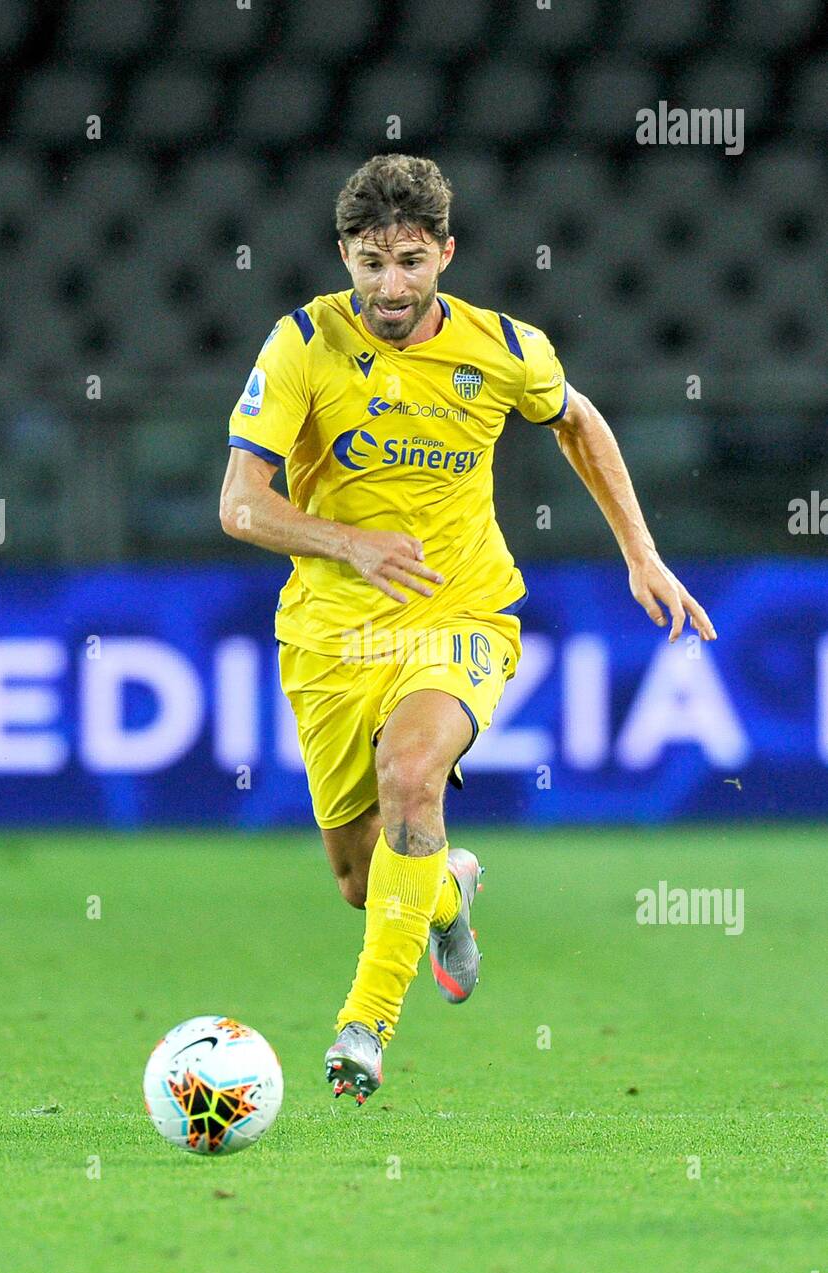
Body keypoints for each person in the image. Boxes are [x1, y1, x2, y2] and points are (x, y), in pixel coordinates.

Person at [220, 153, 716, 1105]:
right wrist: (347, 542)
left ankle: (363, 1029)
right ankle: (448, 889)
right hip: (330, 634)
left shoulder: (503, 349)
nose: (389, 286)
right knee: (366, 885)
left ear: (446, 252)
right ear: (345, 257)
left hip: (462, 613)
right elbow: (241, 505)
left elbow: (577, 422)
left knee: (414, 776)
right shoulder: (300, 345)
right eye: (370, 263)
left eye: (409, 261)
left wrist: (641, 553)